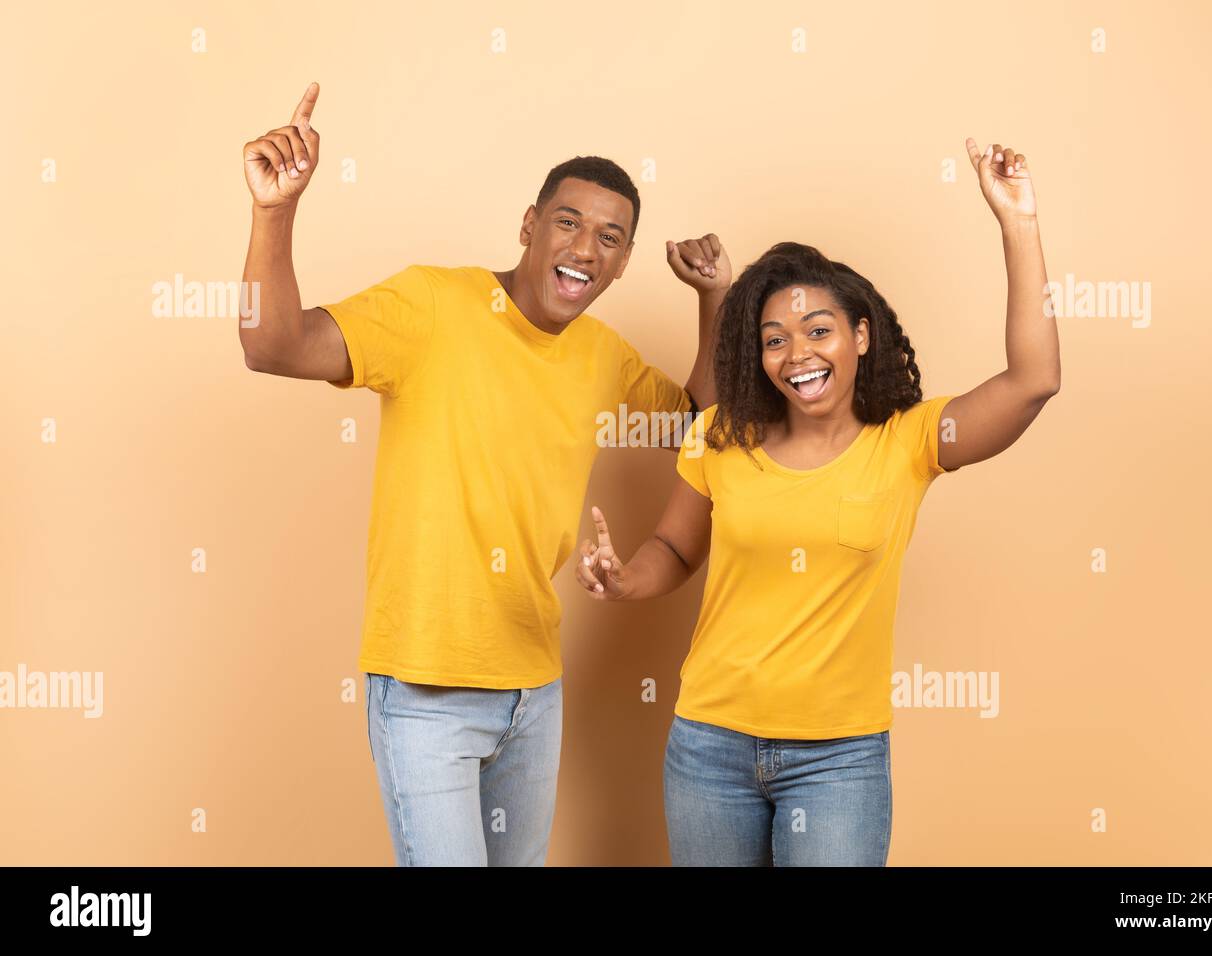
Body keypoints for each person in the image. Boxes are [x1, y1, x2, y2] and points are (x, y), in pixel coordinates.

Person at [238, 82, 731, 865]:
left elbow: (697, 426)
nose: (584, 249)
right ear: (530, 225)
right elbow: (273, 345)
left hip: (535, 691)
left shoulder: (602, 355)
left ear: (625, 261)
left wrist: (715, 299)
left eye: (609, 237)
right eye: (567, 223)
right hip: (425, 689)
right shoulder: (431, 305)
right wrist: (275, 212)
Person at [575, 139, 1060, 866]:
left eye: (818, 330)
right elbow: (674, 549)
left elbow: (1033, 381)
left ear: (861, 336)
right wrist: (623, 580)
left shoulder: (910, 440)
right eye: (774, 340)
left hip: (838, 762)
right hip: (709, 746)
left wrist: (1018, 222)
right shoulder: (720, 435)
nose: (796, 353)